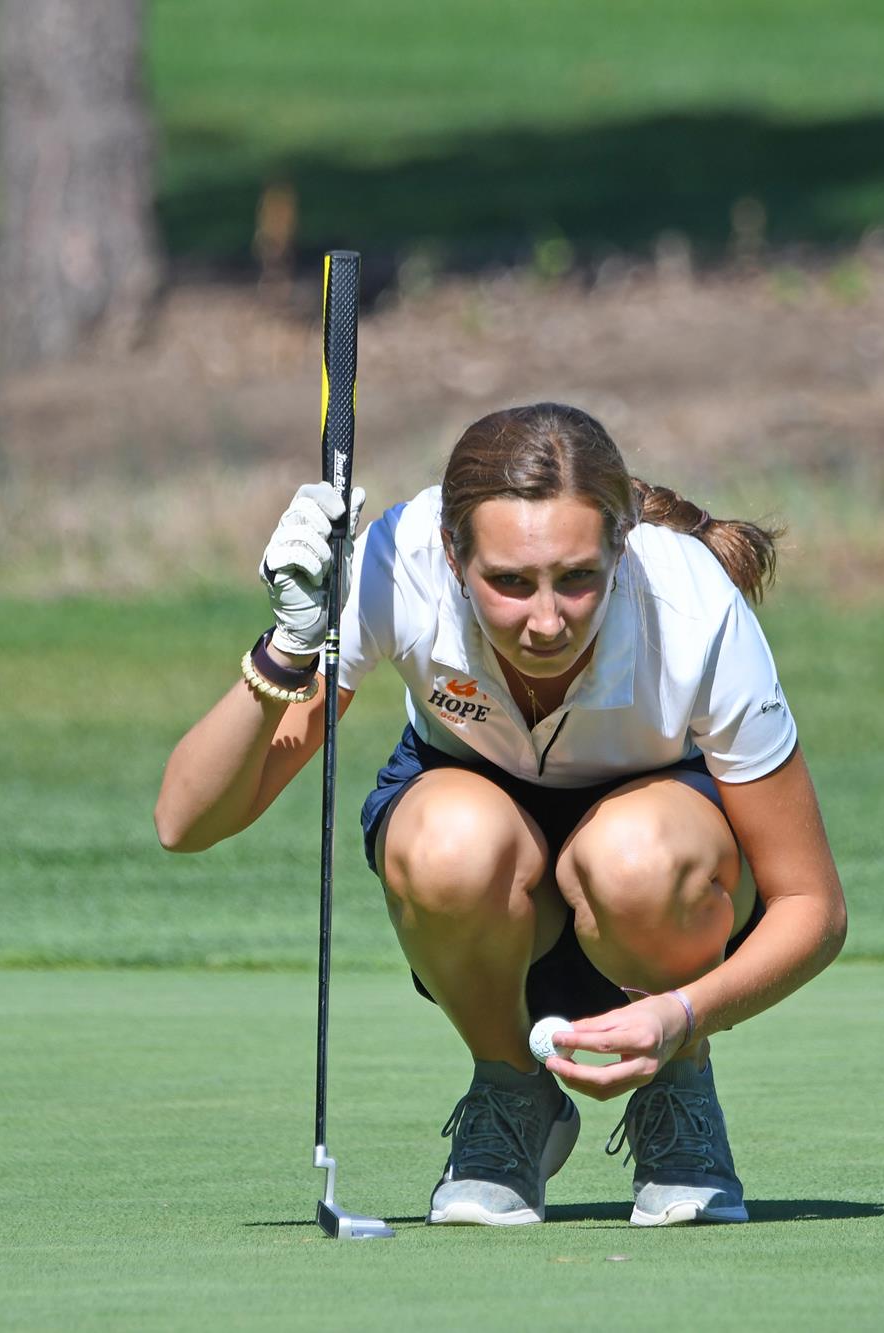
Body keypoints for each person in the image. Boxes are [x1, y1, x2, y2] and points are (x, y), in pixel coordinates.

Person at [155, 403, 847, 1227]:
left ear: (621, 548)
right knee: (447, 841)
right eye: (509, 583)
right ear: (452, 557)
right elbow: (185, 821)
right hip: (488, 891)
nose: (546, 621)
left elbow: (814, 907)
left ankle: (678, 1096)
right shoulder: (396, 564)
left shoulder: (694, 606)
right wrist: (287, 645)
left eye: (578, 578)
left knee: (637, 854)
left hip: (660, 904)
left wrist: (682, 1016)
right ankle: (512, 1088)